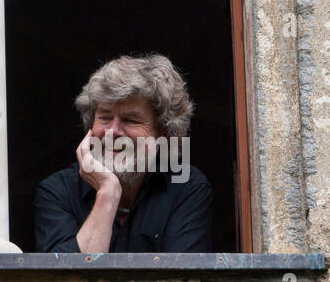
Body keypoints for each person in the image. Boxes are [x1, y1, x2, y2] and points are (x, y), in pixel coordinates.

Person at [34, 54, 212, 253]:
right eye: (104, 117)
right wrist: (107, 193)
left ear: (162, 132)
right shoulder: (57, 192)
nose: (112, 132)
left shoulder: (186, 187)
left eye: (131, 120)